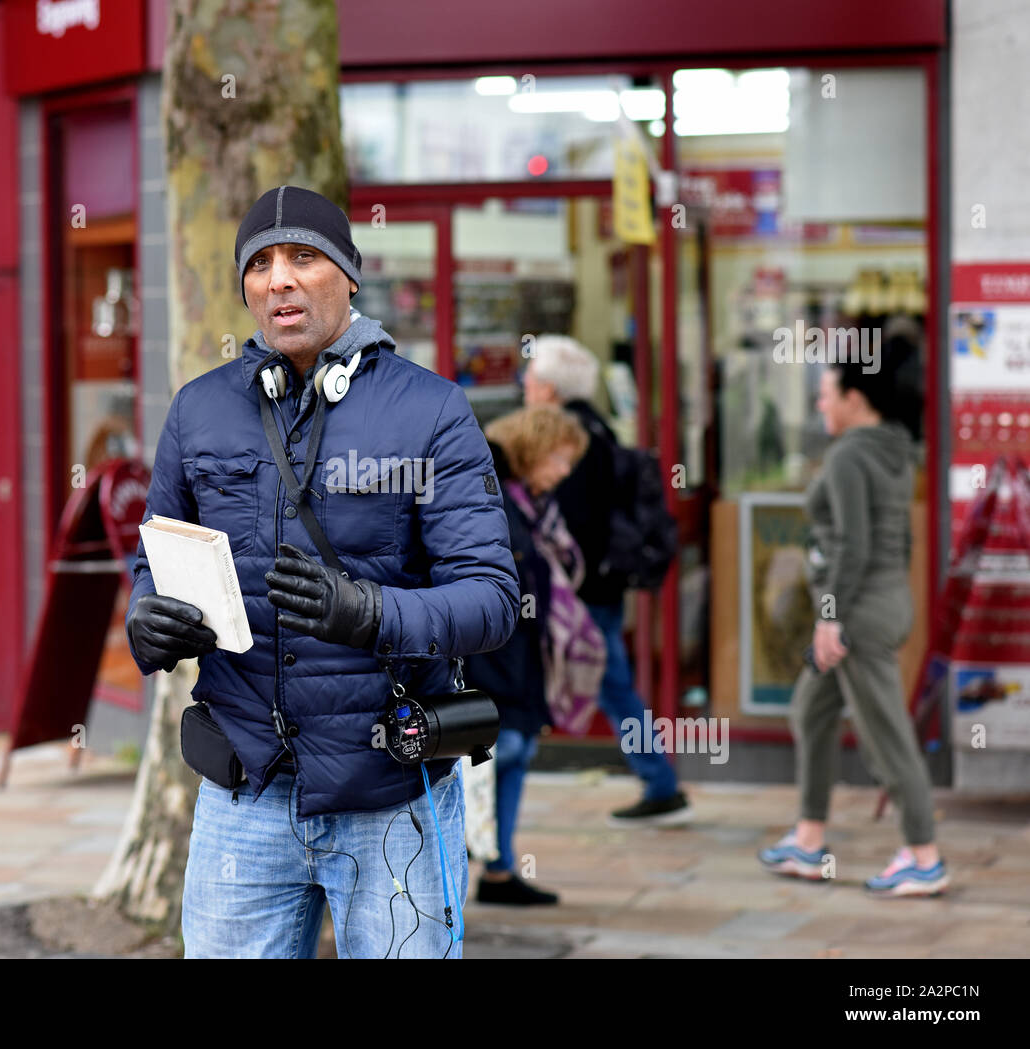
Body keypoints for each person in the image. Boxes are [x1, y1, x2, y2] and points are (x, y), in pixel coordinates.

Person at [124, 185, 520, 957]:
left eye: (304, 257)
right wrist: (148, 618)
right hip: (244, 797)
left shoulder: (433, 411)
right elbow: (154, 560)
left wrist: (370, 613)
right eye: (261, 263)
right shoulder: (196, 410)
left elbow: (494, 601)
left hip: (393, 798)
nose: (280, 279)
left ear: (348, 274)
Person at [759, 337, 947, 896]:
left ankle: (924, 856)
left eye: (826, 394)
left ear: (856, 397)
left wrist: (830, 618)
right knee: (811, 713)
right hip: (882, 602)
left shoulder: (847, 455)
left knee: (887, 737)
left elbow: (853, 546)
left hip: (855, 615)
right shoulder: (893, 448)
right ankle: (809, 839)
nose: (821, 405)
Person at [522, 336, 692, 827]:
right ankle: (660, 783)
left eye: (531, 380)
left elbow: (572, 521)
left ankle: (661, 785)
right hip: (599, 585)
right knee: (606, 683)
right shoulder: (598, 428)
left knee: (596, 684)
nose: (526, 387)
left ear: (550, 389)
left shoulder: (566, 437)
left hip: (578, 592)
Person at [464, 405, 592, 906]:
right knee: (499, 754)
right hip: (492, 656)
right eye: (559, 459)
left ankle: (497, 869)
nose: (563, 472)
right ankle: (472, 856)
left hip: (521, 653)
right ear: (534, 449)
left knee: (518, 753)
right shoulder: (493, 492)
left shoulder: (530, 503)